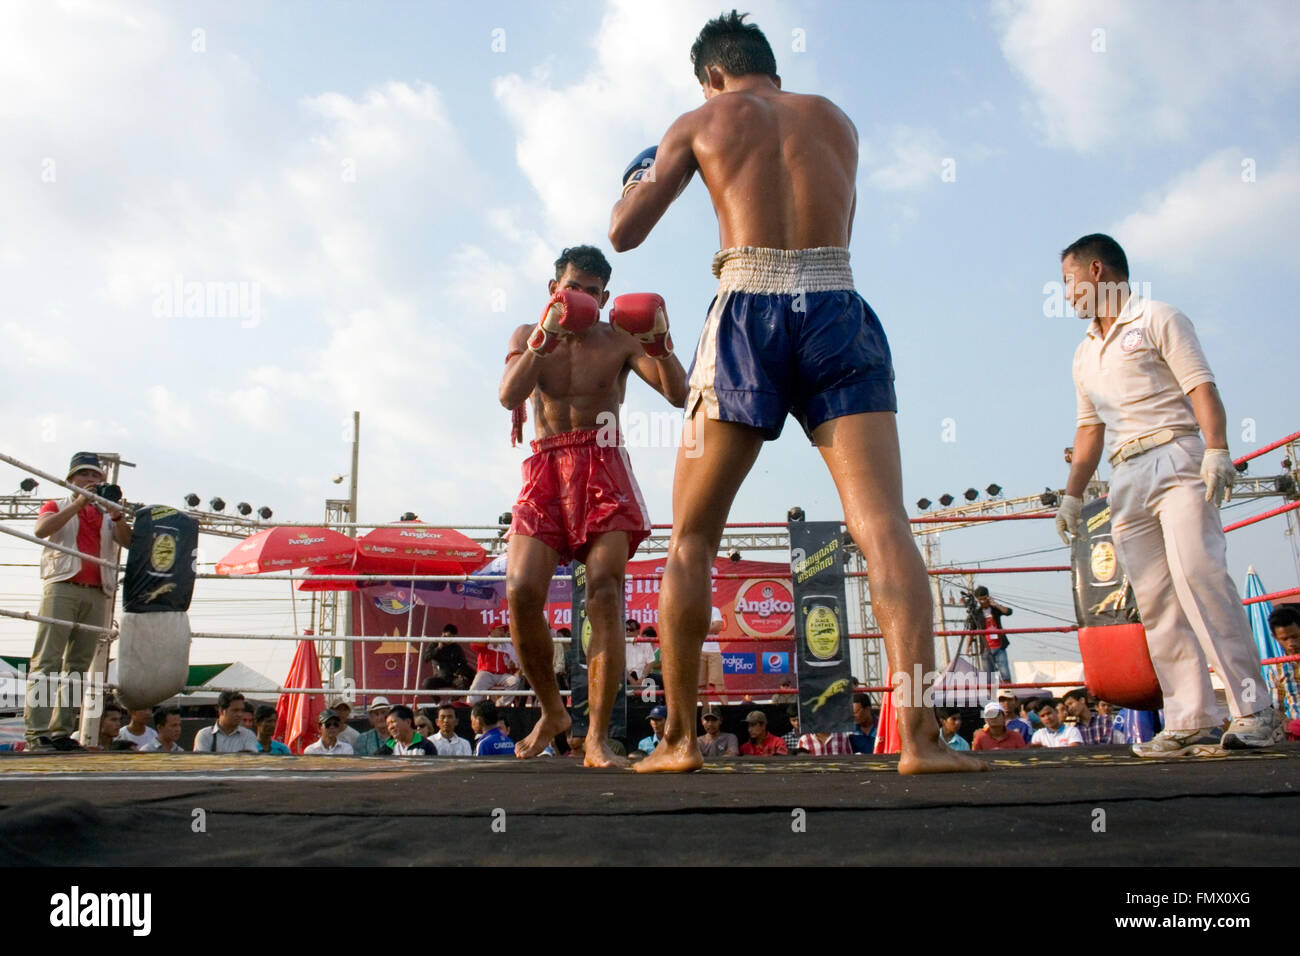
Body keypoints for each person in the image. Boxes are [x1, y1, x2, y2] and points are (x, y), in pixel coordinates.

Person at [609, 12, 982, 776]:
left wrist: (640, 175)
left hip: (747, 306)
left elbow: (624, 233)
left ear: (711, 74)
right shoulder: (835, 120)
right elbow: (838, 221)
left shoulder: (699, 119)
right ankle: (919, 741)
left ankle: (679, 742)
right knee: (883, 525)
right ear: (770, 66)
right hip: (838, 302)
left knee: (693, 537)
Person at [1055, 233, 1281, 756]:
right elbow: (1088, 430)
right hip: (1123, 473)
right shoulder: (1084, 353)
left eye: (1068, 282)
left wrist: (1217, 448)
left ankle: (1255, 710)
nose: (1066, 294)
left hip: (1176, 456)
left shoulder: (1159, 317)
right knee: (1155, 601)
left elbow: (1201, 386)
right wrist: (1072, 495)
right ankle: (1191, 717)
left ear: (1095, 271)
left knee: (1200, 576)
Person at [499, 244, 688, 767]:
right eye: (573, 287)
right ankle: (553, 711)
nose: (581, 297)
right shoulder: (525, 335)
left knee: (605, 591)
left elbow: (678, 392)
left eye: (592, 292)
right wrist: (544, 337)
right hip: (544, 467)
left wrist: (659, 339)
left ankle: (597, 737)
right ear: (554, 289)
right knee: (520, 591)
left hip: (602, 465)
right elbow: (509, 396)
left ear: (605, 298)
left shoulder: (617, 340)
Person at [25, 452, 134, 751]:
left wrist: (116, 514)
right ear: (71, 480)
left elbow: (128, 541)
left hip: (98, 590)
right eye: (84, 475)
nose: (91, 480)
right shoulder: (57, 505)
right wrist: (79, 503)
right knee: (47, 660)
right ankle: (37, 732)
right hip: (63, 585)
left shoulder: (106, 513)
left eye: (96, 476)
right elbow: (41, 530)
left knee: (78, 665)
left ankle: (61, 732)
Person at [466, 626, 522, 705]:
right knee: (478, 682)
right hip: (487, 674)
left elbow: (516, 664)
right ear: (492, 631)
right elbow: (473, 645)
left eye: (503, 630)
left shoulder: (508, 646)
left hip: (503, 675)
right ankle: (471, 707)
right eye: (500, 630)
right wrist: (489, 642)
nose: (502, 633)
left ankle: (500, 705)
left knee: (515, 681)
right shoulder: (486, 642)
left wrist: (513, 666)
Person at [192, 691, 260, 753]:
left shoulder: (248, 735)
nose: (240, 714)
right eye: (235, 710)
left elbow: (250, 762)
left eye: (242, 710)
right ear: (221, 711)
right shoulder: (205, 735)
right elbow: (202, 763)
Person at [1267, 606, 1300, 730]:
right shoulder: (1276, 668)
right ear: (1275, 638)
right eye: (1285, 639)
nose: (1291, 644)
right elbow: (1277, 708)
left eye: (1295, 636)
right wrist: (1285, 721)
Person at [972, 586, 1013, 683]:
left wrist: (995, 604)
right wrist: (968, 646)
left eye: (985, 598)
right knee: (989, 678)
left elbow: (1008, 612)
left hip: (1000, 647)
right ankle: (991, 697)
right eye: (980, 600)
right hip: (985, 648)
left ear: (988, 597)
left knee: (1005, 674)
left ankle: (1008, 695)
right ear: (977, 600)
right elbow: (971, 630)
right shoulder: (976, 613)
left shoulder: (995, 609)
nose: (983, 601)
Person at [422, 623, 474, 694]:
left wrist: (460, 672)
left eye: (453, 638)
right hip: (440, 677)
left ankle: (452, 702)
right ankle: (439, 701)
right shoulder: (435, 644)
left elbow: (463, 663)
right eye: (448, 636)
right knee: (427, 683)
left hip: (453, 677)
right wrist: (438, 649)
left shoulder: (456, 647)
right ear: (443, 634)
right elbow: (426, 658)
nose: (450, 640)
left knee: (464, 684)